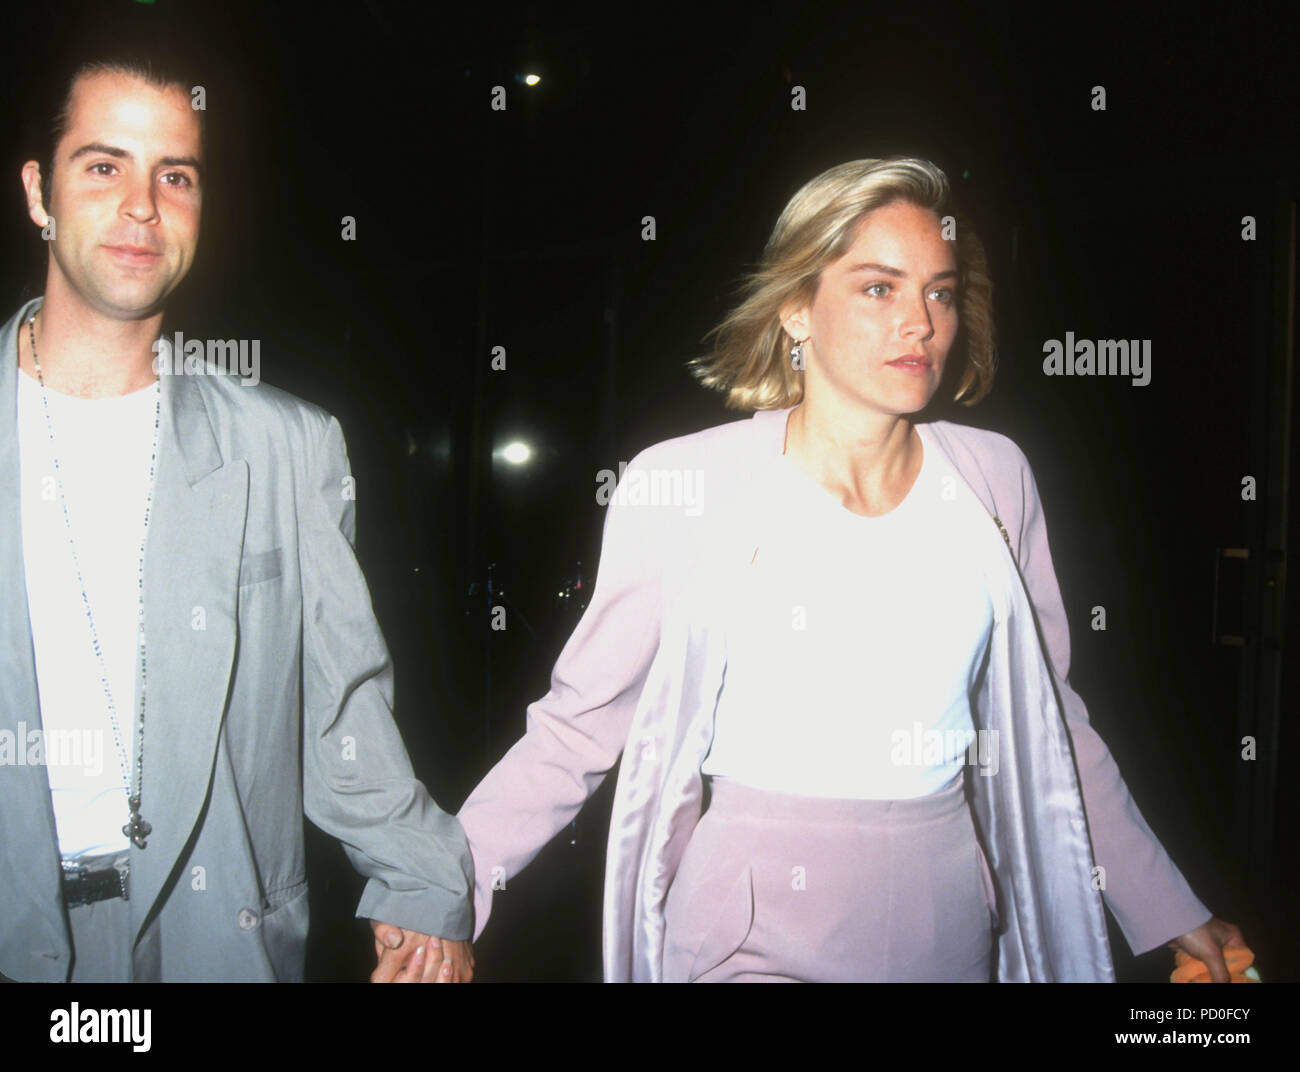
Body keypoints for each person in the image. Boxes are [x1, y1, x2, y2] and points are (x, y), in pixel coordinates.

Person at [379, 156, 1246, 981]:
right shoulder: (687, 483)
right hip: (748, 923)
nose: (920, 322)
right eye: (879, 288)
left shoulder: (994, 476)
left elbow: (1053, 727)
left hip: (946, 917)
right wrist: (445, 882)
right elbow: (582, 723)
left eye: (939, 293)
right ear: (797, 309)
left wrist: (1170, 907)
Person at [0, 53, 473, 982]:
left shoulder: (286, 447)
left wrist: (421, 886)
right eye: (104, 166)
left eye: (175, 175)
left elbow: (341, 709)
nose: (143, 204)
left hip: (213, 938)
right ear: (38, 194)